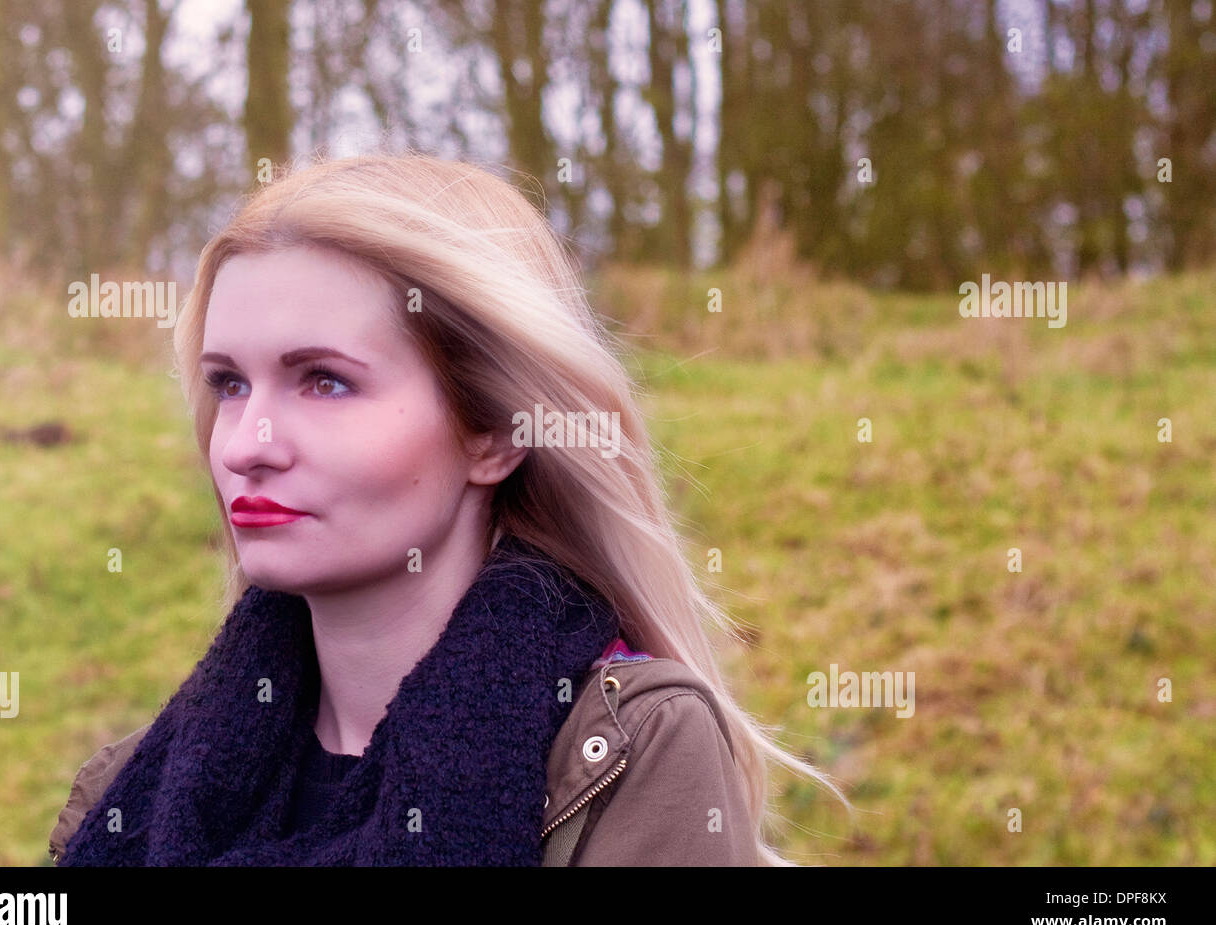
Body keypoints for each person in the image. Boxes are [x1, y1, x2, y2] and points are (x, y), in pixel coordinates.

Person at [50, 151, 848, 866]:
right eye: (229, 383)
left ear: (495, 432)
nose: (245, 444)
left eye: (324, 380)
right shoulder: (131, 795)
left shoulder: (626, 755)